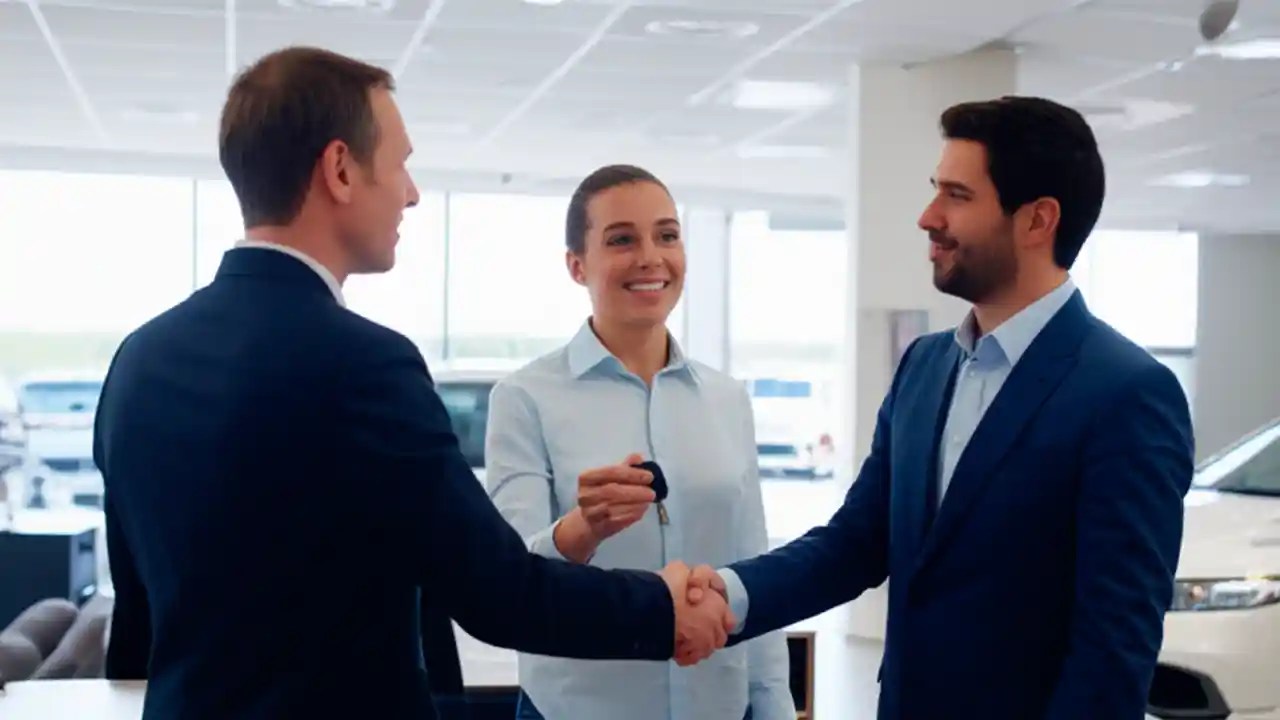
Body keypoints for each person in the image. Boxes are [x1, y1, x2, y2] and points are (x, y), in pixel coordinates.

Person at [92, 46, 734, 720]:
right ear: (341, 169)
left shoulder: (137, 362)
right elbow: (498, 593)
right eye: (399, 163)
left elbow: (136, 628)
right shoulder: (365, 366)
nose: (412, 191)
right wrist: (661, 608)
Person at [689, 96, 1196, 719]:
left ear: (1037, 221)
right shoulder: (926, 366)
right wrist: (729, 594)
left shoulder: (1127, 394)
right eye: (937, 190)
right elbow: (858, 542)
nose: (929, 216)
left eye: (957, 195)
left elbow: (1114, 647)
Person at [484, 165, 795, 720]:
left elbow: (754, 570)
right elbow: (510, 579)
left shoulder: (726, 400)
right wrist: (583, 528)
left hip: (717, 706)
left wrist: (773, 706)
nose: (651, 256)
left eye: (667, 235)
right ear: (577, 266)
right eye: (622, 239)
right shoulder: (524, 398)